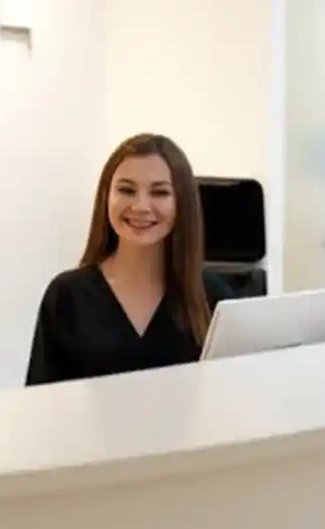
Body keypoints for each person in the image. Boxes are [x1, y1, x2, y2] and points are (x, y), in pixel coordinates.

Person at [25, 133, 234, 386]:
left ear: (182, 203)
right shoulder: (68, 296)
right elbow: (43, 406)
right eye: (127, 190)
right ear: (106, 197)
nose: (141, 206)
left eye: (159, 192)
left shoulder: (214, 297)